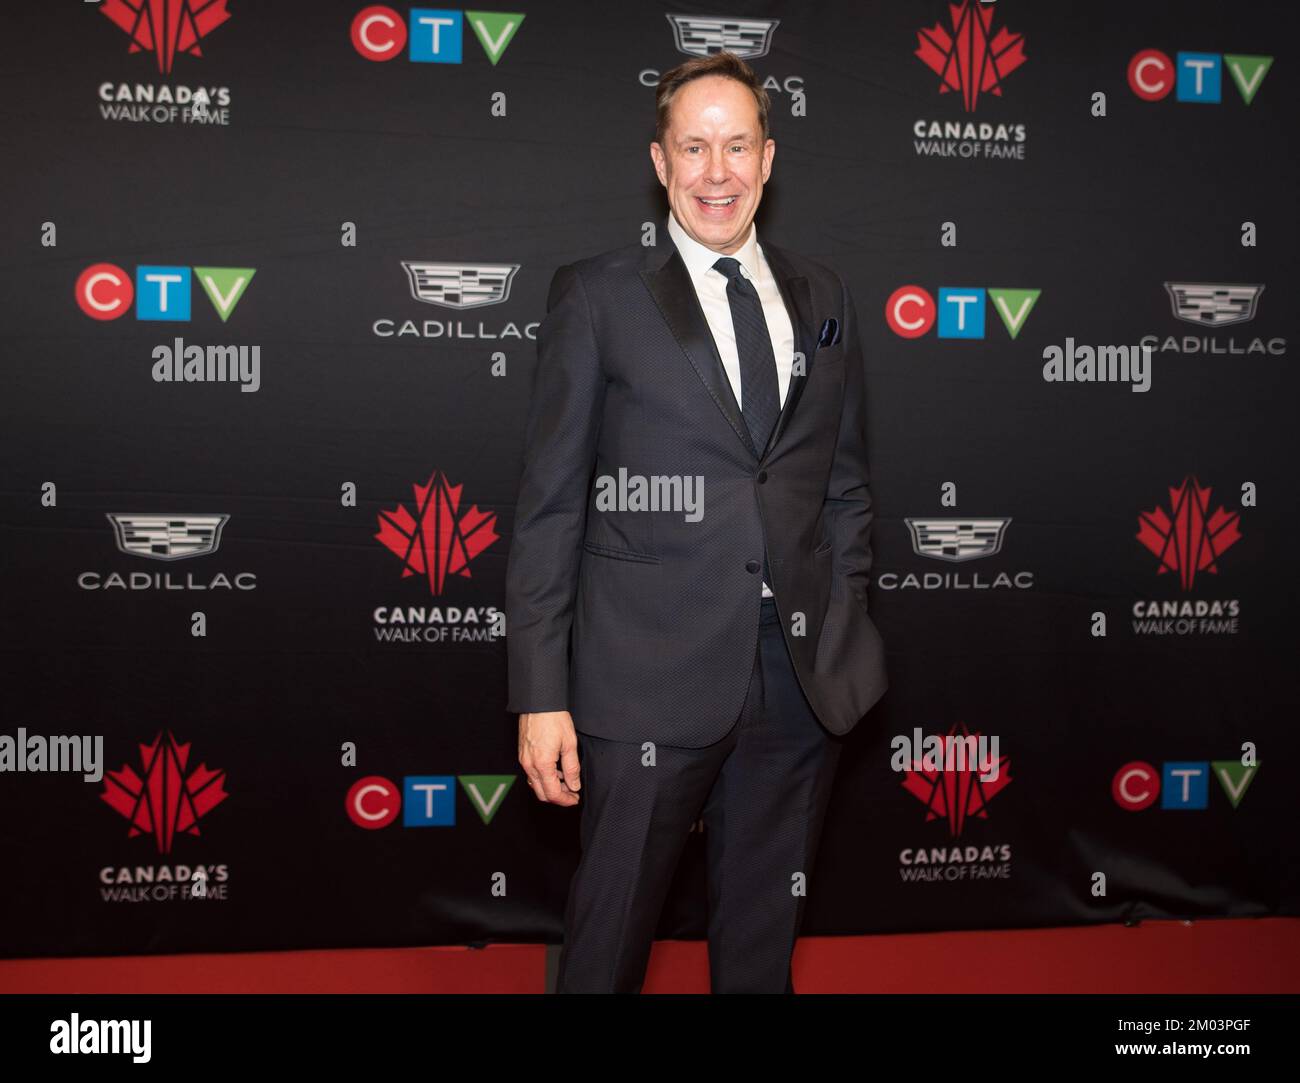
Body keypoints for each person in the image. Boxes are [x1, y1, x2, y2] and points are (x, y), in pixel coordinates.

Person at [504, 50, 887, 993]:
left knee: (762, 946)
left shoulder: (826, 296)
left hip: (799, 684)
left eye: (737, 146)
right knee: (607, 942)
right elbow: (550, 504)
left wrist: (843, 616)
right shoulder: (595, 297)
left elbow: (841, 485)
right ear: (660, 161)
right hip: (645, 680)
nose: (716, 171)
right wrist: (539, 692)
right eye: (694, 148)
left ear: (768, 158)